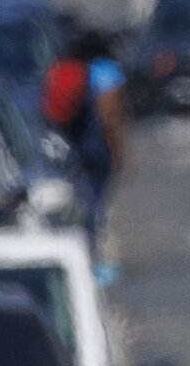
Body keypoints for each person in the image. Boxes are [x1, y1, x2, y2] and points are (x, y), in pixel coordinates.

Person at [44, 26, 130, 245]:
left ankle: (68, 238)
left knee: (72, 197)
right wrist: (117, 152)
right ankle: (89, 248)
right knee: (95, 201)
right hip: (95, 145)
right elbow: (111, 115)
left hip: (67, 141)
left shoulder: (65, 68)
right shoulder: (108, 70)